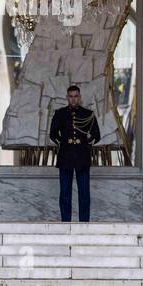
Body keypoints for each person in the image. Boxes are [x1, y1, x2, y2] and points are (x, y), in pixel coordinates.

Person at [49, 85, 101, 222]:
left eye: (76, 96)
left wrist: (86, 144)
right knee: (65, 193)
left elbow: (97, 135)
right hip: (65, 156)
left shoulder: (88, 114)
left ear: (80, 97)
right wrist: (63, 143)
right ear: (67, 98)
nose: (73, 99)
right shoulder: (60, 114)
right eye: (71, 96)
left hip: (82, 156)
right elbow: (53, 134)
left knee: (84, 193)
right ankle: (66, 222)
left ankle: (84, 223)